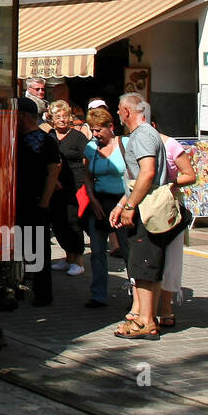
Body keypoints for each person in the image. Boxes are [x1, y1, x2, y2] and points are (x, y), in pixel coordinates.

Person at [109, 92, 186, 339]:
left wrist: (130, 206)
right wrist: (123, 203)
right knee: (148, 266)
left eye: (119, 109)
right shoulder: (149, 134)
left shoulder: (141, 136)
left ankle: (145, 321)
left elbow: (147, 173)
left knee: (142, 265)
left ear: (128, 112)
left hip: (147, 209)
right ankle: (146, 318)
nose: (118, 114)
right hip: (148, 205)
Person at [83, 106, 130, 308]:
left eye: (98, 130)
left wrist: (125, 205)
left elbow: (135, 176)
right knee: (97, 251)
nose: (95, 134)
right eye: (92, 130)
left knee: (129, 252)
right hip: (100, 203)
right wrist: (92, 198)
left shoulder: (125, 144)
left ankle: (136, 297)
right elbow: (86, 173)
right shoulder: (91, 148)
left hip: (123, 202)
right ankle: (98, 295)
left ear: (110, 127)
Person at [16, 96, 61, 307]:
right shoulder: (13, 138)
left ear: (23, 115)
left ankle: (42, 293)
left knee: (38, 249)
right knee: (17, 247)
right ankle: (16, 289)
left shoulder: (47, 140)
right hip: (17, 201)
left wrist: (44, 202)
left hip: (36, 201)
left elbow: (53, 173)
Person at [156, 129, 198, 328]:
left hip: (170, 209)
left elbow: (190, 175)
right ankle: (143, 307)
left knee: (171, 261)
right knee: (146, 259)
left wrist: (168, 184)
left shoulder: (171, 144)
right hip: (143, 208)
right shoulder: (133, 142)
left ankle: (166, 308)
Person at [47, 100, 88, 278]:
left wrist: (85, 183)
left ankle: (78, 260)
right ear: (52, 119)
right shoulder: (50, 136)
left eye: (65, 116)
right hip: (54, 186)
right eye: (58, 117)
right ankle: (67, 257)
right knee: (58, 222)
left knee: (73, 222)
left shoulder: (78, 137)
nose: (62, 120)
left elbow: (87, 161)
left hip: (74, 186)